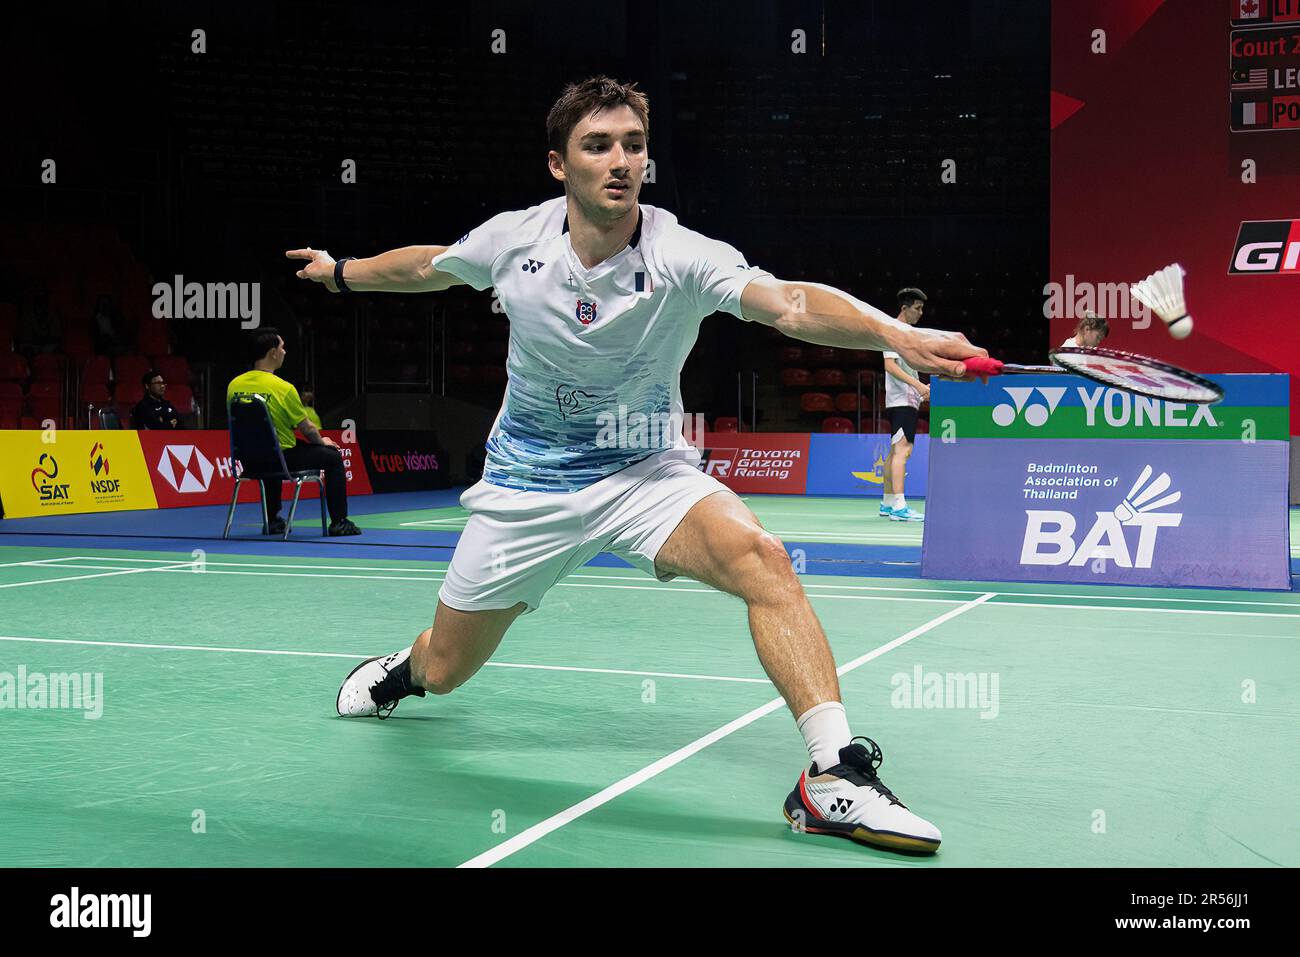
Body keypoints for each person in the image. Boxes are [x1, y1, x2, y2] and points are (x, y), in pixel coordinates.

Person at [287, 77, 985, 854]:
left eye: (633, 145)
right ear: (559, 165)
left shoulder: (681, 253)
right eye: (597, 146)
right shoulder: (516, 241)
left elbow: (787, 302)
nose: (621, 161)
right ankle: (402, 673)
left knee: (762, 558)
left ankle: (833, 775)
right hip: (528, 487)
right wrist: (343, 270)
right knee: (448, 667)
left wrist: (898, 334)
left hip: (644, 475)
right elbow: (428, 267)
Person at [226, 329, 360, 537]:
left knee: (268, 446)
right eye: (282, 347)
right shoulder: (283, 388)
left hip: (248, 461)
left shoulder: (233, 385)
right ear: (272, 353)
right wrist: (322, 441)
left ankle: (272, 521)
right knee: (332, 457)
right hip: (281, 460)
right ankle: (340, 521)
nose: (284, 352)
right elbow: (307, 429)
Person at [880, 288, 928, 522]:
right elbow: (890, 365)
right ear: (904, 308)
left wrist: (920, 388)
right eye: (917, 308)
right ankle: (900, 506)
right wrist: (917, 387)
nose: (920, 313)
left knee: (894, 450)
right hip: (901, 400)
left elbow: (907, 367)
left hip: (904, 399)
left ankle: (888, 502)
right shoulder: (894, 331)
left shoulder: (905, 332)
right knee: (903, 451)